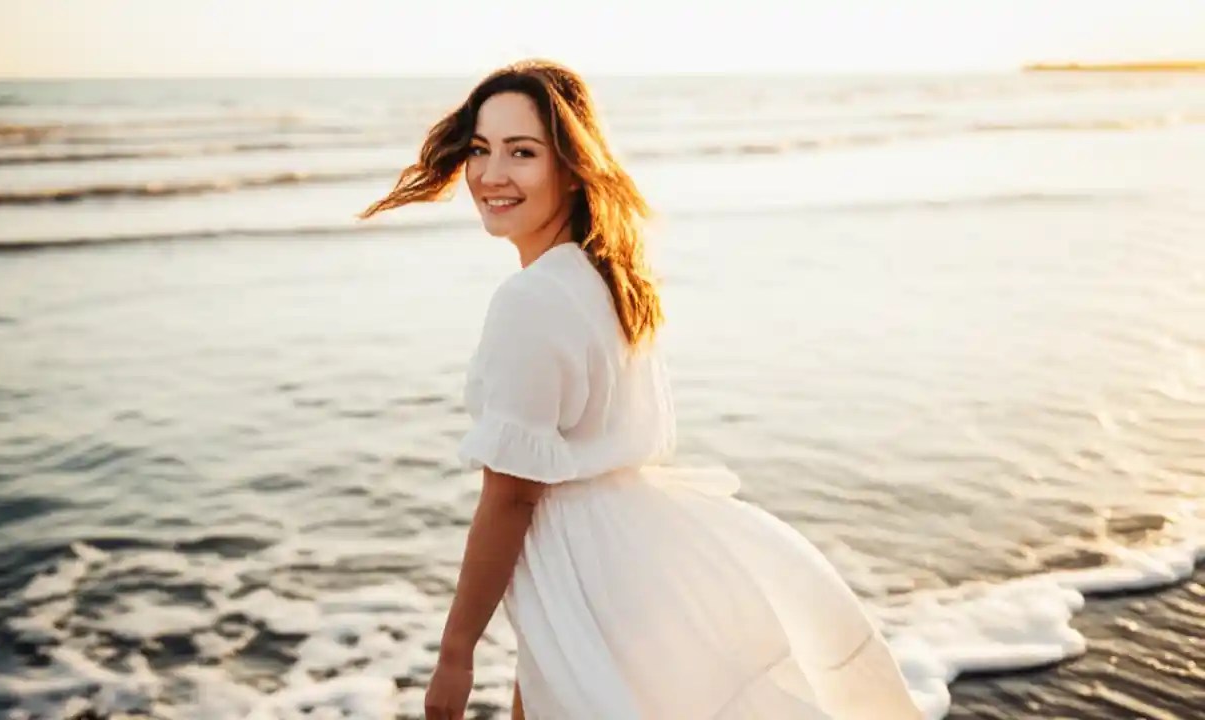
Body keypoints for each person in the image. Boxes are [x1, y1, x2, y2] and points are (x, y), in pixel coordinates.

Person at [359, 59, 924, 720]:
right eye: (480, 149)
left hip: (585, 569)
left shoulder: (530, 299)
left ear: (572, 167)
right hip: (630, 556)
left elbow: (510, 496)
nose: (490, 173)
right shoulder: (611, 278)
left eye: (523, 152)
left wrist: (456, 654)